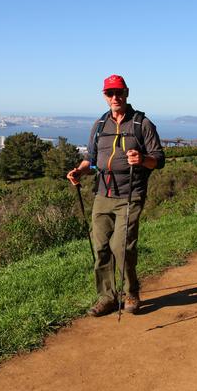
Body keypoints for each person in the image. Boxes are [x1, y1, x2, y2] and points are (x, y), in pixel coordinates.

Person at [67, 75, 165, 317]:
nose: (114, 97)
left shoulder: (142, 124)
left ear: (127, 92)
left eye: (118, 92)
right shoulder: (100, 125)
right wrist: (78, 171)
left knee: (121, 246)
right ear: (104, 95)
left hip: (130, 193)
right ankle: (107, 297)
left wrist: (142, 159)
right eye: (109, 93)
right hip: (102, 193)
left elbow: (159, 159)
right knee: (100, 247)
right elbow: (90, 158)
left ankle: (131, 292)